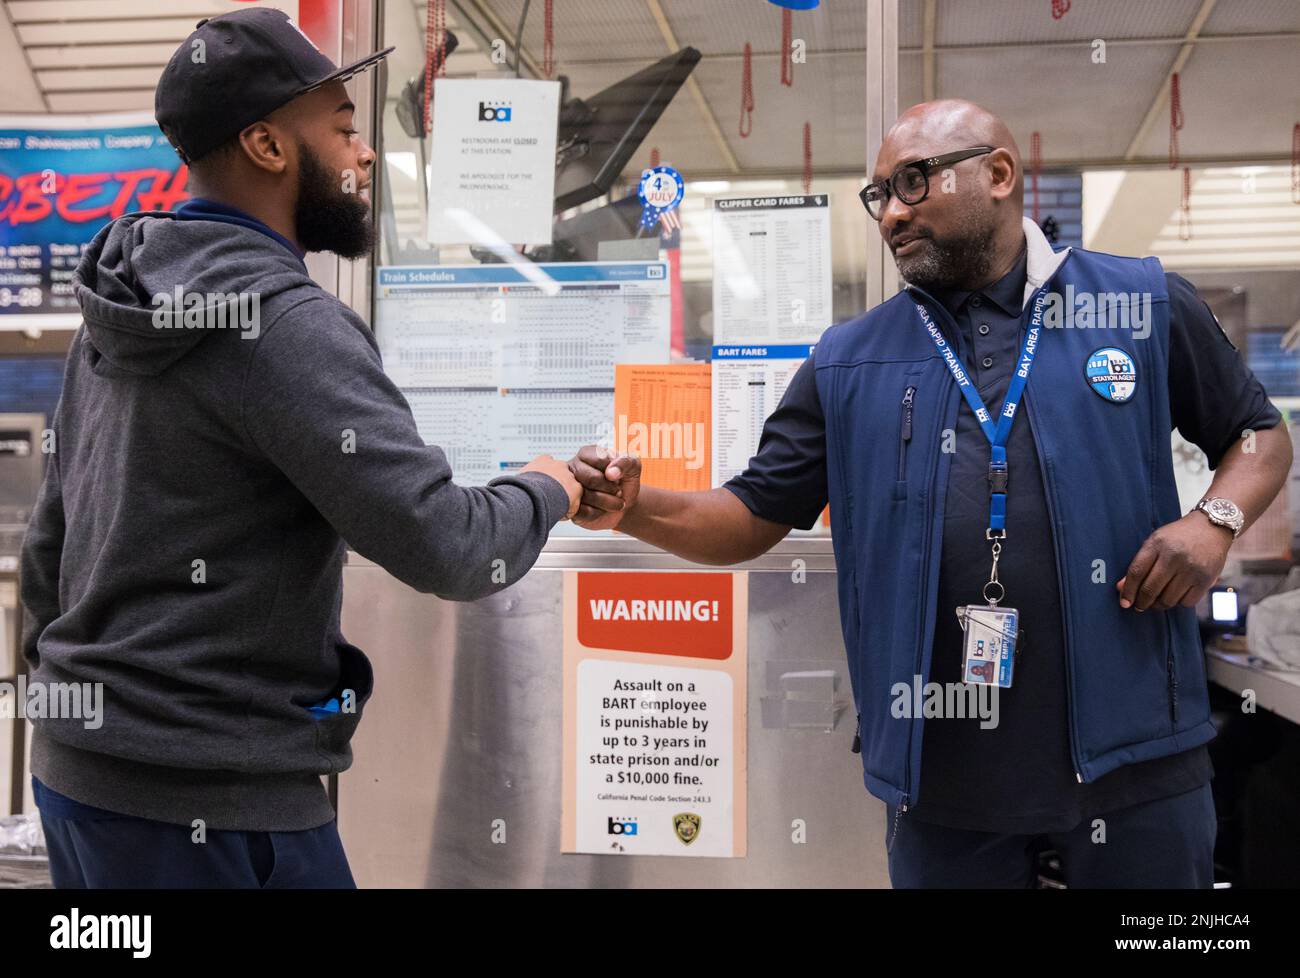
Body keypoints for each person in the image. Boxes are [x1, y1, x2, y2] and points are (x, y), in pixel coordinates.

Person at [570, 99, 1293, 888]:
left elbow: (1258, 434)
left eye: (913, 181)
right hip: (942, 772)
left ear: (999, 174)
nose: (891, 213)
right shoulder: (850, 359)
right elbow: (750, 514)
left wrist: (1213, 521)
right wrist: (634, 507)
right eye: (879, 195)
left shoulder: (1137, 305)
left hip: (1138, 756)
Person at [19, 7, 581, 888]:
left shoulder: (116, 301)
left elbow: (48, 550)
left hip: (79, 785)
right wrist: (549, 485)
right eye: (346, 130)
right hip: (212, 803)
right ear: (268, 148)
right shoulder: (288, 325)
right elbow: (455, 548)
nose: (363, 158)